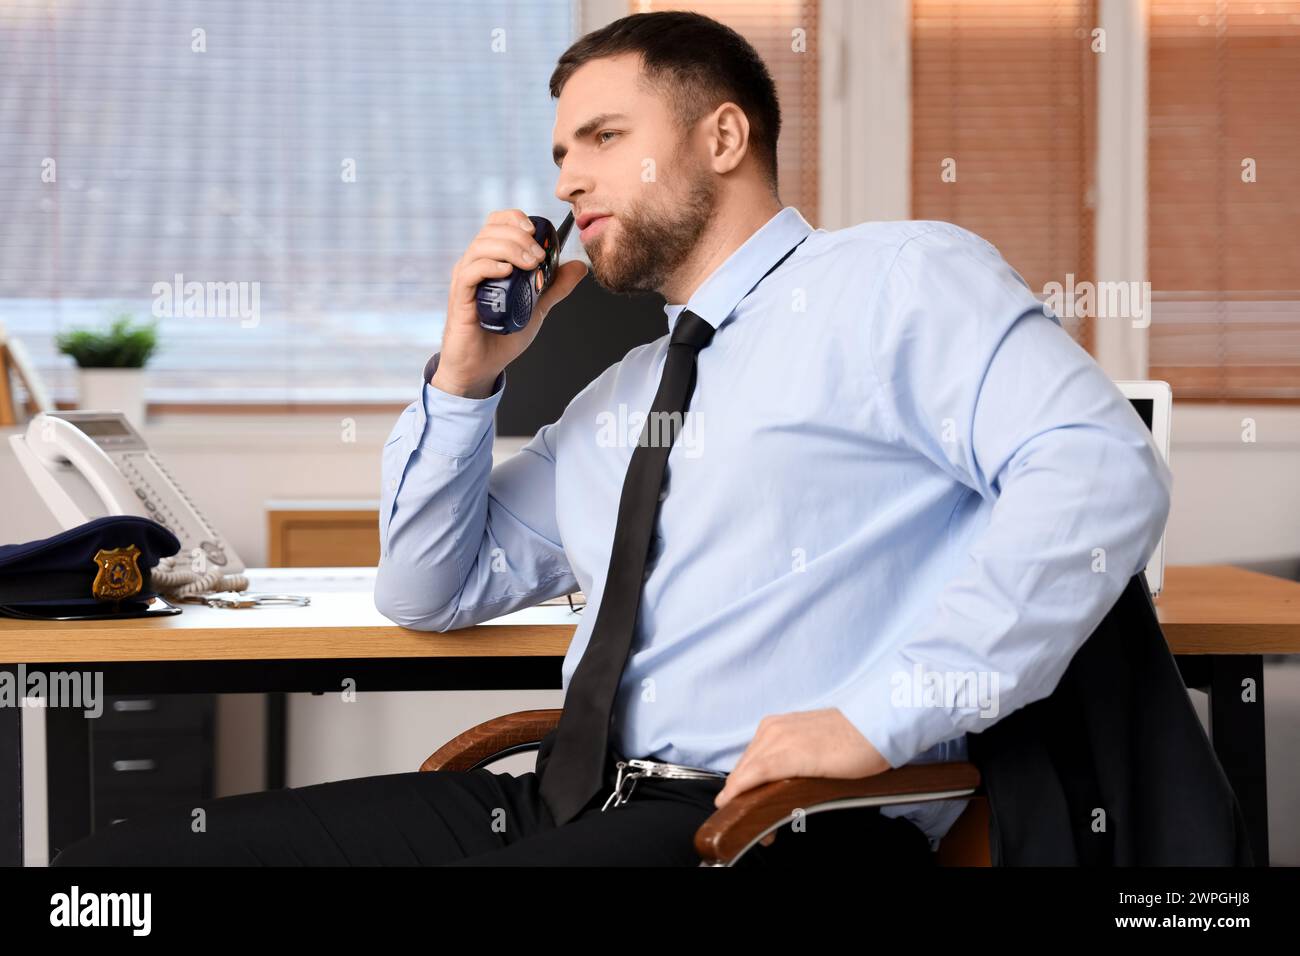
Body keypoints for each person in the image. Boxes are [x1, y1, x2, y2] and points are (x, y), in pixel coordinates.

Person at [52, 10, 1170, 867]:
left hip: (768, 822)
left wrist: (875, 719)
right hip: (563, 801)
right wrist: (465, 376)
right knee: (113, 879)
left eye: (602, 136)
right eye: (557, 153)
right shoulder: (626, 393)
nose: (567, 179)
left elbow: (1099, 472)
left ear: (723, 136)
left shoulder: (893, 282)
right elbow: (426, 588)